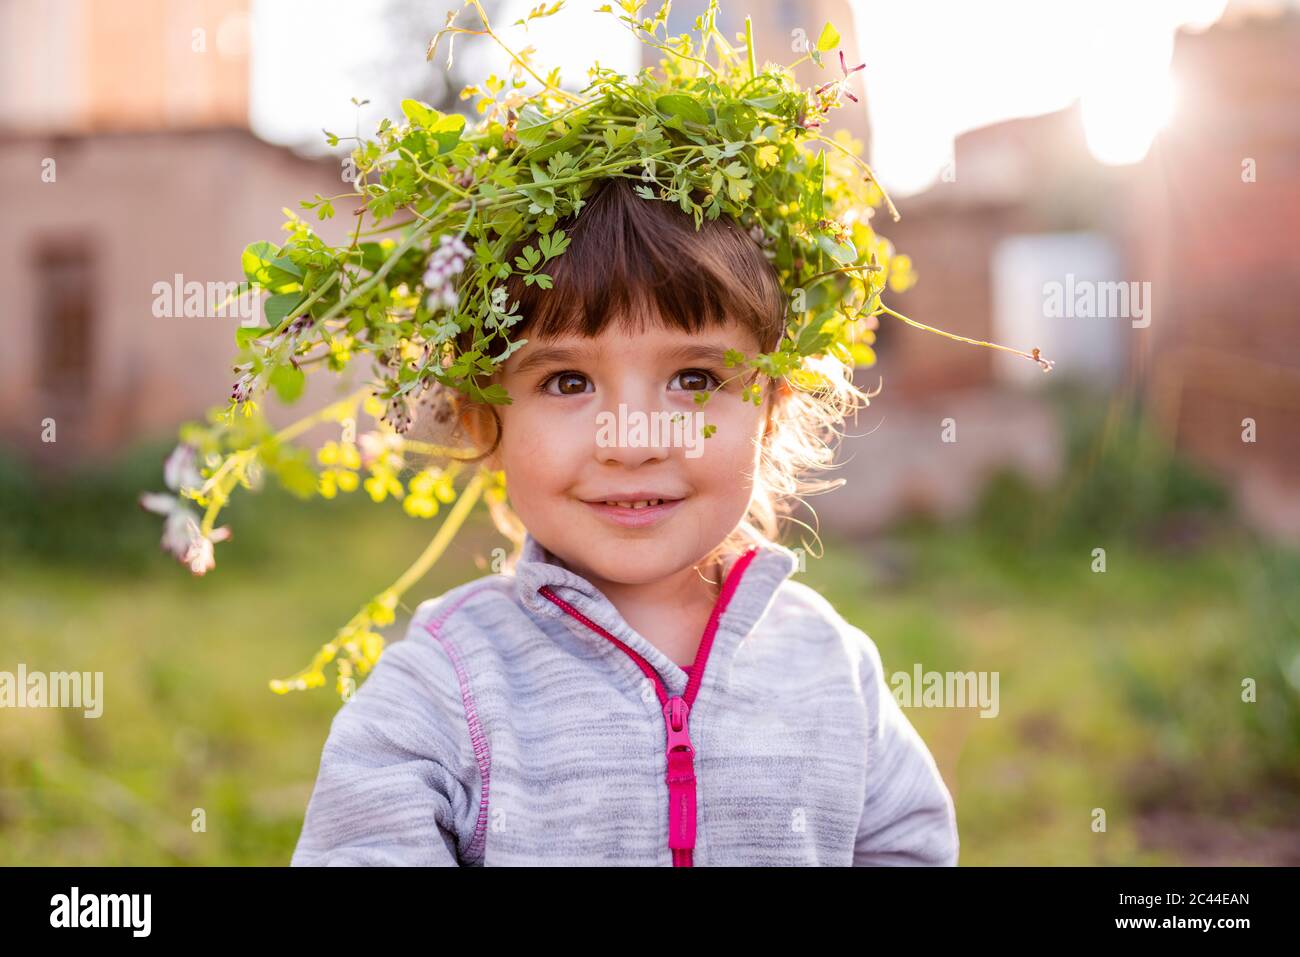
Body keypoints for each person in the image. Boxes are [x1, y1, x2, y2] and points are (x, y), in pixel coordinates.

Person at [290, 176, 959, 866]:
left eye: (695, 378)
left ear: (771, 410)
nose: (633, 439)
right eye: (569, 382)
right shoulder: (443, 687)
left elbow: (910, 846)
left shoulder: (831, 668)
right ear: (483, 416)